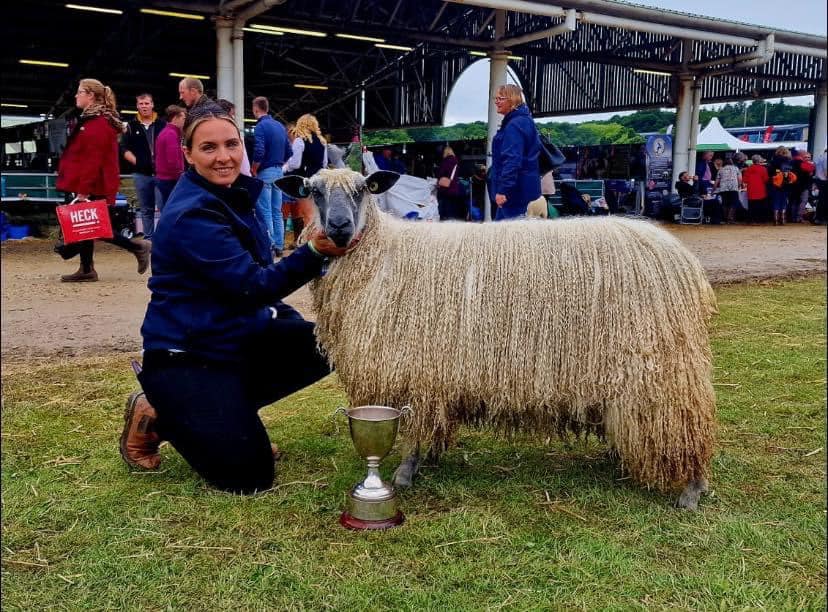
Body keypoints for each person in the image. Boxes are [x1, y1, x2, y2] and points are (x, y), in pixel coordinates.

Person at [121, 103, 352, 492]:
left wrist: (289, 319)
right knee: (249, 476)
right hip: (188, 355)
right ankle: (159, 410)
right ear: (188, 152)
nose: (224, 156)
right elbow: (253, 286)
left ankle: (223, 415)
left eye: (231, 144)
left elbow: (259, 281)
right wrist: (314, 252)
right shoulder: (193, 214)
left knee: (324, 342)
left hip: (232, 338)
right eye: (209, 148)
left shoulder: (233, 194)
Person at [55, 78, 151, 282]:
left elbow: (92, 161)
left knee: (96, 226)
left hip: (94, 183)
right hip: (94, 182)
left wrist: (83, 191)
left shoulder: (96, 123)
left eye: (80, 92)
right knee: (88, 225)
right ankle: (87, 269)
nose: (76, 95)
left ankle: (137, 246)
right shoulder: (94, 120)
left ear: (91, 96)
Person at [487, 83, 542, 220]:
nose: (496, 101)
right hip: (526, 190)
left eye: (501, 98)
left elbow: (512, 160)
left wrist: (503, 191)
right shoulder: (525, 120)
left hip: (514, 195)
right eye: (496, 98)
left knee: (507, 238)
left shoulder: (514, 125)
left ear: (512, 100)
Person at [122, 92, 165, 240]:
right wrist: (138, 163)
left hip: (161, 173)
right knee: (146, 209)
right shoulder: (131, 126)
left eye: (147, 103)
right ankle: (148, 239)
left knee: (164, 207)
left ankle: (163, 238)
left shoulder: (163, 125)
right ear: (137, 106)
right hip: (141, 174)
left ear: (152, 104)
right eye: (141, 104)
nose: (144, 106)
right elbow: (124, 149)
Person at [251, 96, 290, 258]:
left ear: (255, 109)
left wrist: (254, 168)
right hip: (279, 173)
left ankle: (271, 245)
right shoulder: (280, 126)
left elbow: (259, 150)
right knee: (277, 211)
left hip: (264, 172)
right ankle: (280, 245)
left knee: (265, 211)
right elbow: (290, 151)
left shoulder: (260, 127)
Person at [283, 113, 328, 244]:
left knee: (307, 215)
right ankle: (320, 240)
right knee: (318, 214)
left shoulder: (299, 140)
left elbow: (296, 163)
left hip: (306, 180)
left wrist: (284, 168)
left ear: (301, 124)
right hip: (321, 179)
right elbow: (324, 163)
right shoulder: (322, 141)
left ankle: (311, 244)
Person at [154, 105, 186, 211]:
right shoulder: (171, 134)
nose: (184, 121)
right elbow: (173, 161)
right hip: (171, 180)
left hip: (165, 179)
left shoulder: (166, 132)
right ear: (175, 118)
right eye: (183, 118)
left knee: (168, 209)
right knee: (174, 210)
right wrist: (181, 177)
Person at [216, 99, 251, 177]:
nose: (233, 118)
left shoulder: (206, 134)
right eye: (232, 114)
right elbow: (243, 165)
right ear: (226, 115)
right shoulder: (233, 134)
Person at [768, 146, 796, 225]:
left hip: (776, 183)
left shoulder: (773, 161)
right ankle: (783, 219)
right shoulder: (789, 161)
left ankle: (775, 219)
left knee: (776, 200)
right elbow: (792, 172)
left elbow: (770, 172)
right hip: (786, 183)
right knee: (784, 200)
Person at [436, 145, 466, 220]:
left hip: (446, 189)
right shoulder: (456, 161)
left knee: (446, 208)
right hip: (454, 188)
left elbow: (441, 173)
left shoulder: (446, 161)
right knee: (453, 208)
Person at [741, 154, 770, 224]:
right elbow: (766, 179)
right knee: (760, 205)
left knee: (751, 206)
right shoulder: (763, 169)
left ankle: (751, 220)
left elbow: (745, 180)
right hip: (761, 189)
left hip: (751, 189)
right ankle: (760, 220)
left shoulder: (748, 169)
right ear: (759, 160)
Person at [714, 157, 742, 224]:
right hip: (733, 188)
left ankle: (725, 219)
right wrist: (739, 185)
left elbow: (717, 181)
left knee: (725, 203)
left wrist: (713, 190)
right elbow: (740, 179)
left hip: (723, 188)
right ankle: (730, 219)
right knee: (734, 203)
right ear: (731, 162)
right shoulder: (736, 168)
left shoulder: (721, 169)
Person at [813, 148, 827, 225]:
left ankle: (818, 218)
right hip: (825, 181)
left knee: (821, 200)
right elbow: (826, 170)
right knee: (825, 201)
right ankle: (822, 218)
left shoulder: (820, 157)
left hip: (819, 180)